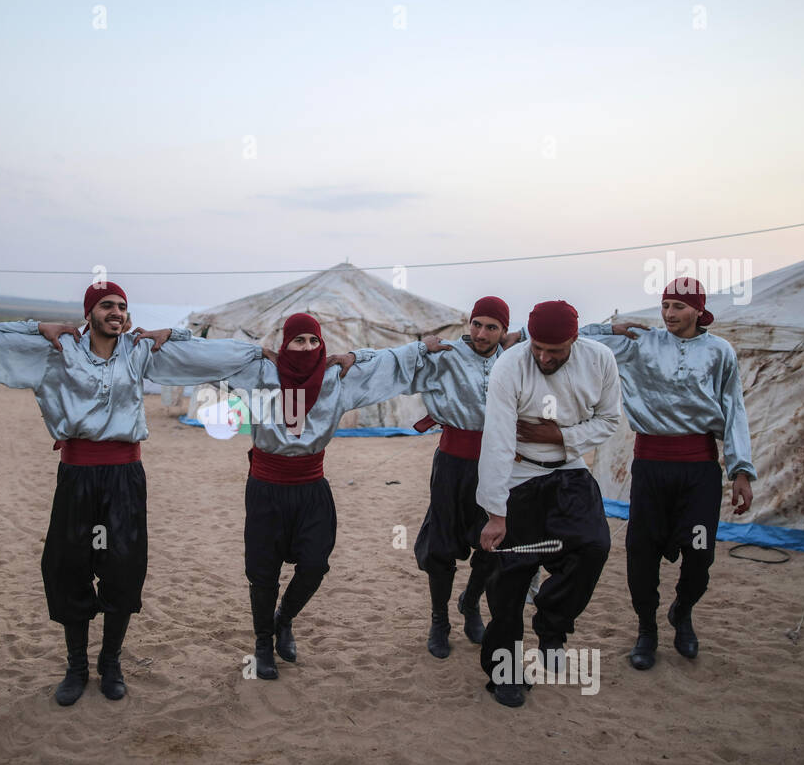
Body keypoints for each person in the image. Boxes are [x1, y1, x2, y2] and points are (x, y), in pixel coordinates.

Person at [0, 281, 264, 706]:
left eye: (122, 306)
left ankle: (111, 661)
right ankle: (75, 666)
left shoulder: (140, 352)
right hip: (76, 476)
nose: (116, 312)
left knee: (124, 566)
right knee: (69, 567)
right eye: (107, 305)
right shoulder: (57, 349)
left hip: (125, 477)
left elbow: (205, 355)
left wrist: (232, 347)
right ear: (89, 314)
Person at [213, 313, 446, 680]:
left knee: (315, 565)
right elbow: (209, 357)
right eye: (298, 341)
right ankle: (262, 644)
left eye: (313, 341)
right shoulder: (258, 374)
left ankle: (284, 619)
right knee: (263, 572)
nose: (306, 348)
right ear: (284, 345)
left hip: (311, 486)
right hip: (266, 488)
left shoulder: (334, 379)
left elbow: (387, 364)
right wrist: (252, 349)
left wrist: (418, 348)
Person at [577, 278, 755, 669]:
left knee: (699, 553)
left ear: (697, 310)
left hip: (699, 469)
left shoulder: (720, 351)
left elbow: (734, 410)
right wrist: (611, 328)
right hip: (651, 466)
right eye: (665, 305)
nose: (669, 314)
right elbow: (572, 338)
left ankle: (683, 612)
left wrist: (740, 470)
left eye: (678, 306)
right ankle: (647, 629)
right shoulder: (640, 342)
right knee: (642, 551)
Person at [476, 300, 621, 707]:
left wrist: (559, 437)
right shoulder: (510, 366)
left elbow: (610, 420)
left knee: (593, 546)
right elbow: (498, 440)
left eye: (554, 351)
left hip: (569, 468)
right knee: (509, 577)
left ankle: (552, 626)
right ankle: (505, 672)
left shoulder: (600, 360)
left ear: (574, 340)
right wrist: (495, 513)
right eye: (537, 347)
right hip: (519, 475)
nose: (543, 357)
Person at [411, 296, 514, 657]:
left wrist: (612, 327)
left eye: (491, 327)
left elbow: (569, 338)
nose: (480, 333)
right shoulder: (447, 355)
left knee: (493, 542)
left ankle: (470, 602)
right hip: (453, 463)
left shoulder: (515, 361)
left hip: (498, 465)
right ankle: (439, 619)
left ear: (504, 331)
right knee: (441, 543)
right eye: (476, 323)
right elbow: (394, 364)